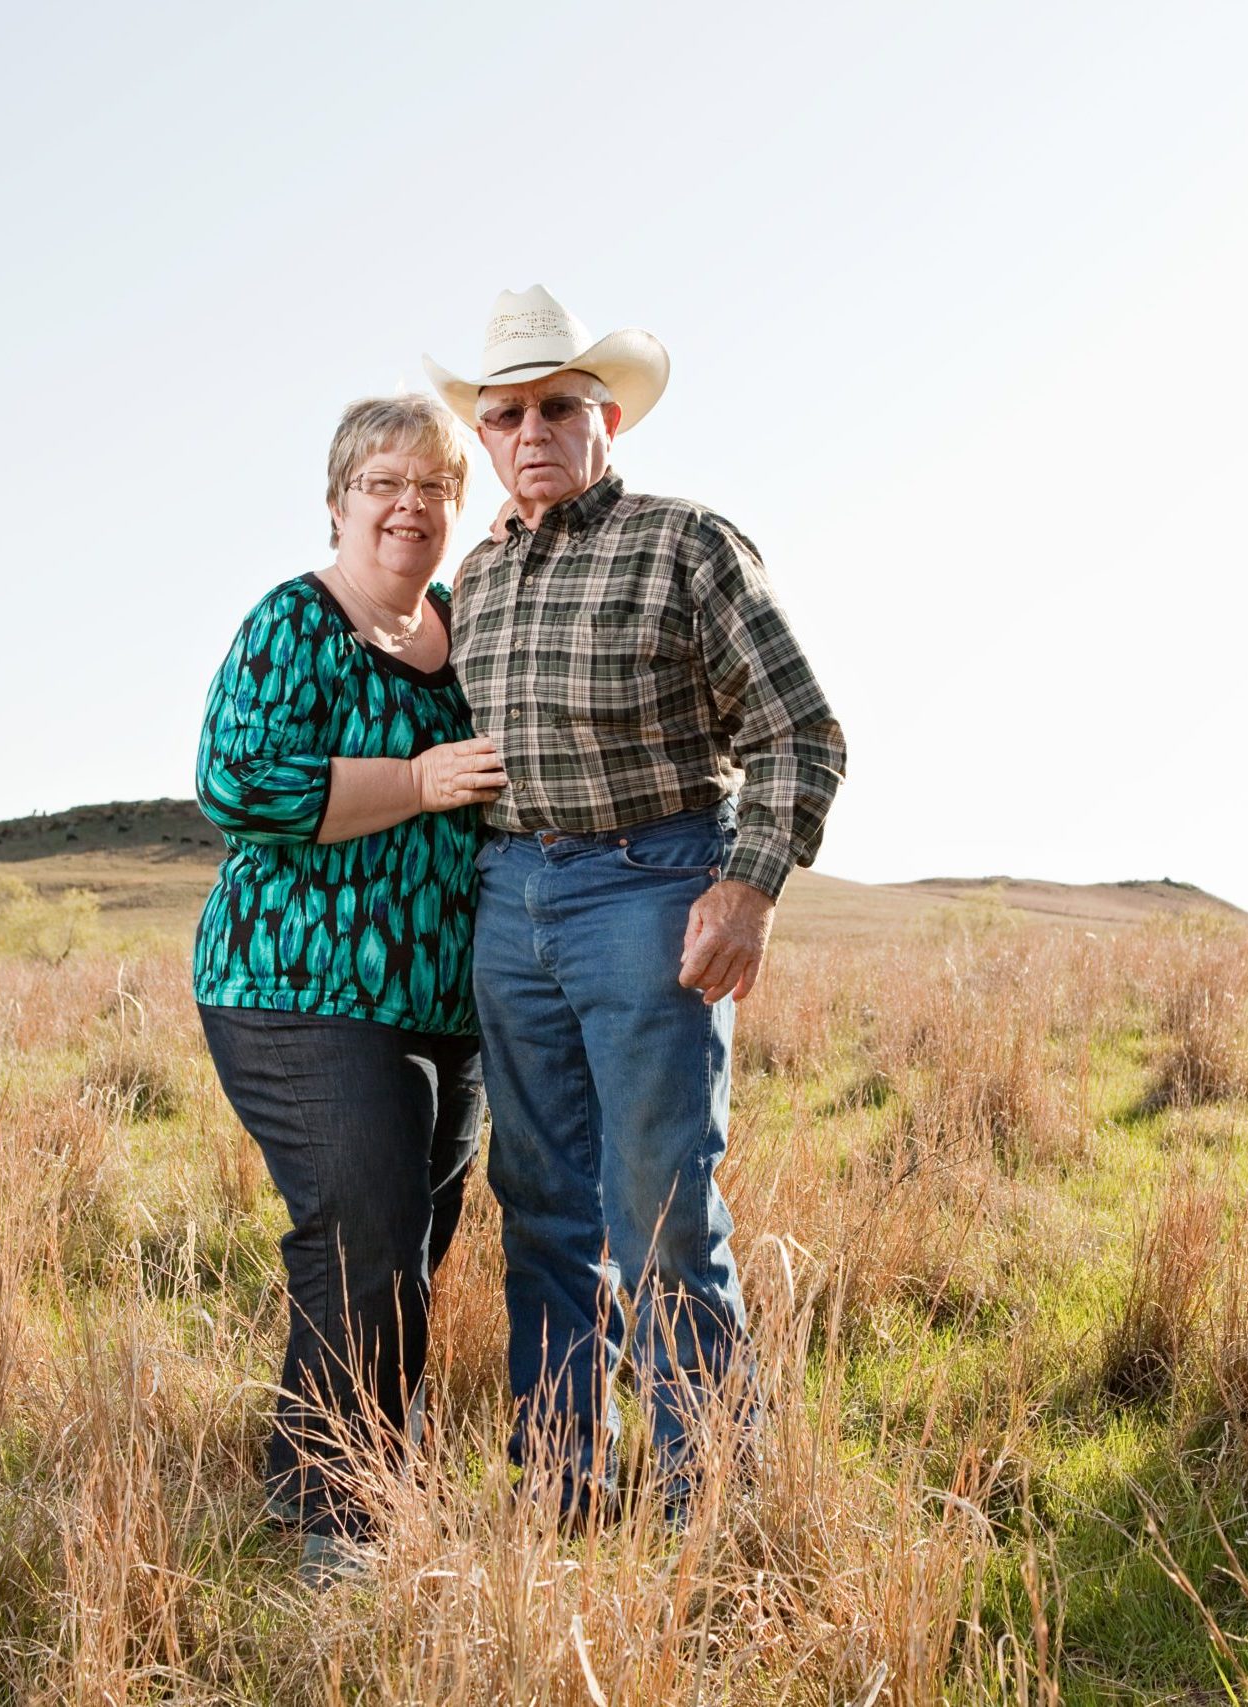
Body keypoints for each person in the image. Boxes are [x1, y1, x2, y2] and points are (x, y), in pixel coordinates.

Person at [424, 286, 846, 1520]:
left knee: (659, 1204)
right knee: (542, 1206)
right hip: (512, 896)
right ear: (489, 440)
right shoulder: (481, 573)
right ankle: (563, 1483)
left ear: (607, 417)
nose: (531, 430)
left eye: (558, 407)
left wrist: (749, 887)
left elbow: (801, 734)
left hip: (648, 885)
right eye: (505, 416)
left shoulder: (686, 544)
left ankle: (706, 1500)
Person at [192, 393, 508, 1579]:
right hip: (297, 991)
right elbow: (240, 784)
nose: (407, 505)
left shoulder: (463, 640)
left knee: (406, 1247)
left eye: (431, 487)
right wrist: (421, 782)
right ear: (337, 503)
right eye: (383, 483)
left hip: (444, 1010)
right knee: (365, 1229)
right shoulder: (298, 621)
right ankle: (344, 1518)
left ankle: (317, 1462)